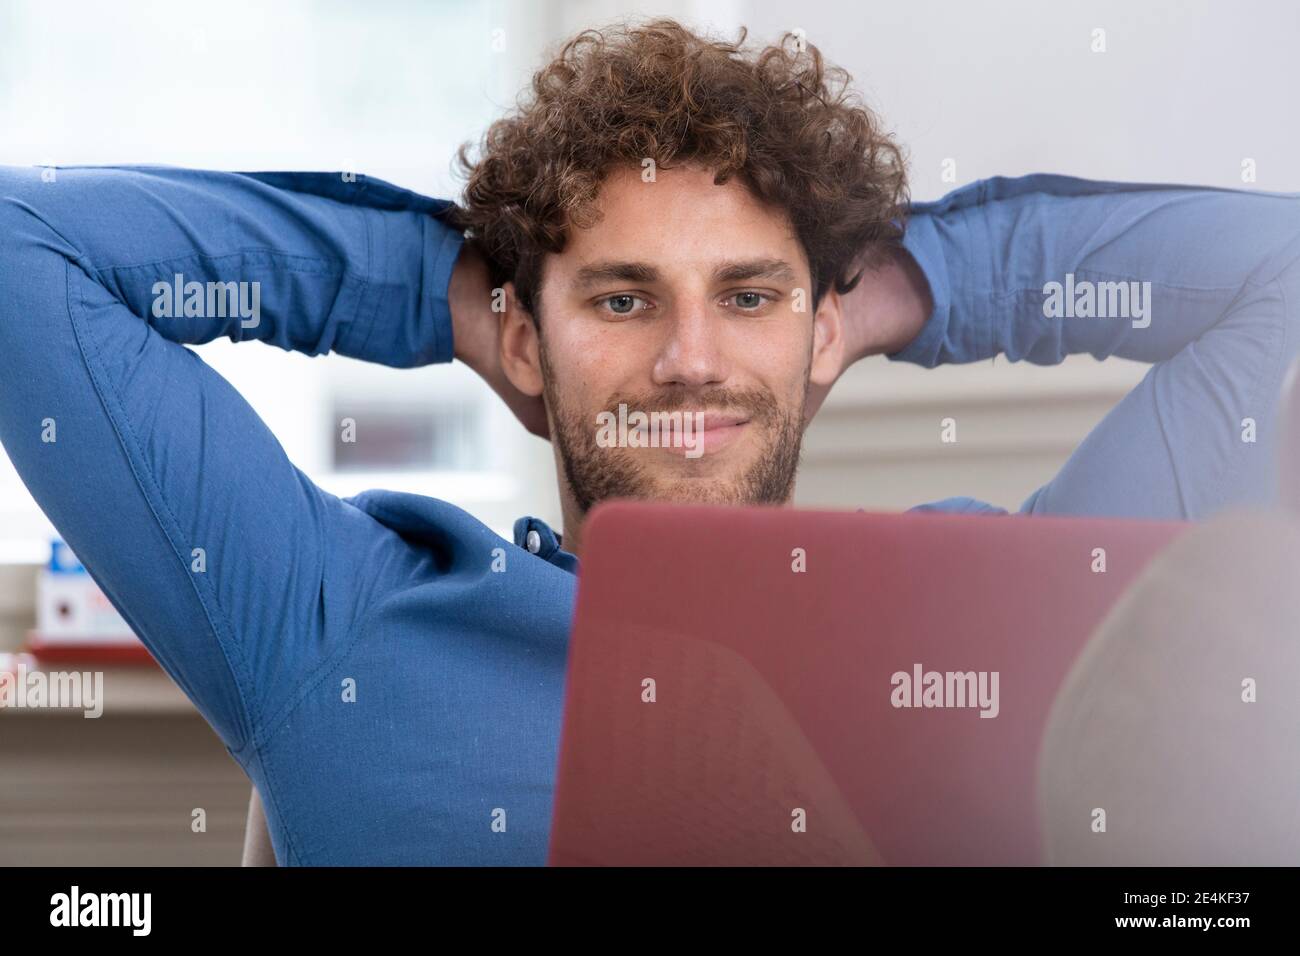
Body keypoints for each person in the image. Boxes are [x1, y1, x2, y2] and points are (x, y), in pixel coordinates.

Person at [0, 19, 1297, 864]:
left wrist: (907, 281)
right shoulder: (348, 621)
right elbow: (22, 242)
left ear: (826, 334)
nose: (689, 356)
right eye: (621, 299)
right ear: (522, 342)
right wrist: (441, 286)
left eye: (747, 297)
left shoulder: (1005, 618)